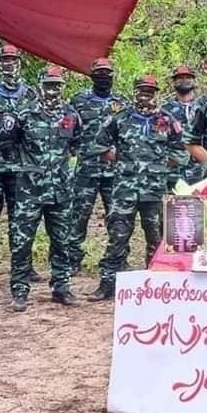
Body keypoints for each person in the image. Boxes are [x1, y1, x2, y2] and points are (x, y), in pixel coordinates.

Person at [89, 76, 185, 301]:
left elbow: (181, 151)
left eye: (150, 91)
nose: (145, 95)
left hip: (154, 190)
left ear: (156, 94)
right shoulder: (120, 118)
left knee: (156, 238)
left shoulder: (167, 120)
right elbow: (99, 144)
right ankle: (108, 284)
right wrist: (119, 161)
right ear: (134, 92)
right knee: (117, 237)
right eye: (142, 91)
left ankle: (157, 285)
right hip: (125, 189)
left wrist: (160, 166)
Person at [7, 66, 82, 311]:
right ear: (40, 86)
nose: (53, 90)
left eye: (57, 85)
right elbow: (9, 144)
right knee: (22, 243)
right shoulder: (24, 114)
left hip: (60, 190)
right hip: (30, 191)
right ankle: (19, 290)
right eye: (49, 85)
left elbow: (75, 145)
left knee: (62, 241)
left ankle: (61, 287)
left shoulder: (71, 115)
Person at [0, 44, 40, 283]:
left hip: (20, 165)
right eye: (5, 60)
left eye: (13, 60)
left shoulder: (30, 94)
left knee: (22, 219)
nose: (9, 64)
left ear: (19, 63)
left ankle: (23, 267)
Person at [66, 58, 130, 275]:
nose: (103, 76)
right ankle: (72, 259)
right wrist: (78, 150)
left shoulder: (122, 102)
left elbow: (127, 132)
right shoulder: (79, 101)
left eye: (107, 73)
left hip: (114, 170)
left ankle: (119, 259)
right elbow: (70, 130)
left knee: (118, 216)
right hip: (87, 169)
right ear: (92, 76)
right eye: (99, 73)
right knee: (79, 215)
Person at [162, 65, 205, 189]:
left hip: (201, 170)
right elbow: (157, 140)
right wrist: (166, 159)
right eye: (180, 78)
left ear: (194, 81)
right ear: (174, 82)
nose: (184, 80)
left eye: (188, 77)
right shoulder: (165, 110)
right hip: (174, 171)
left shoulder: (205, 107)